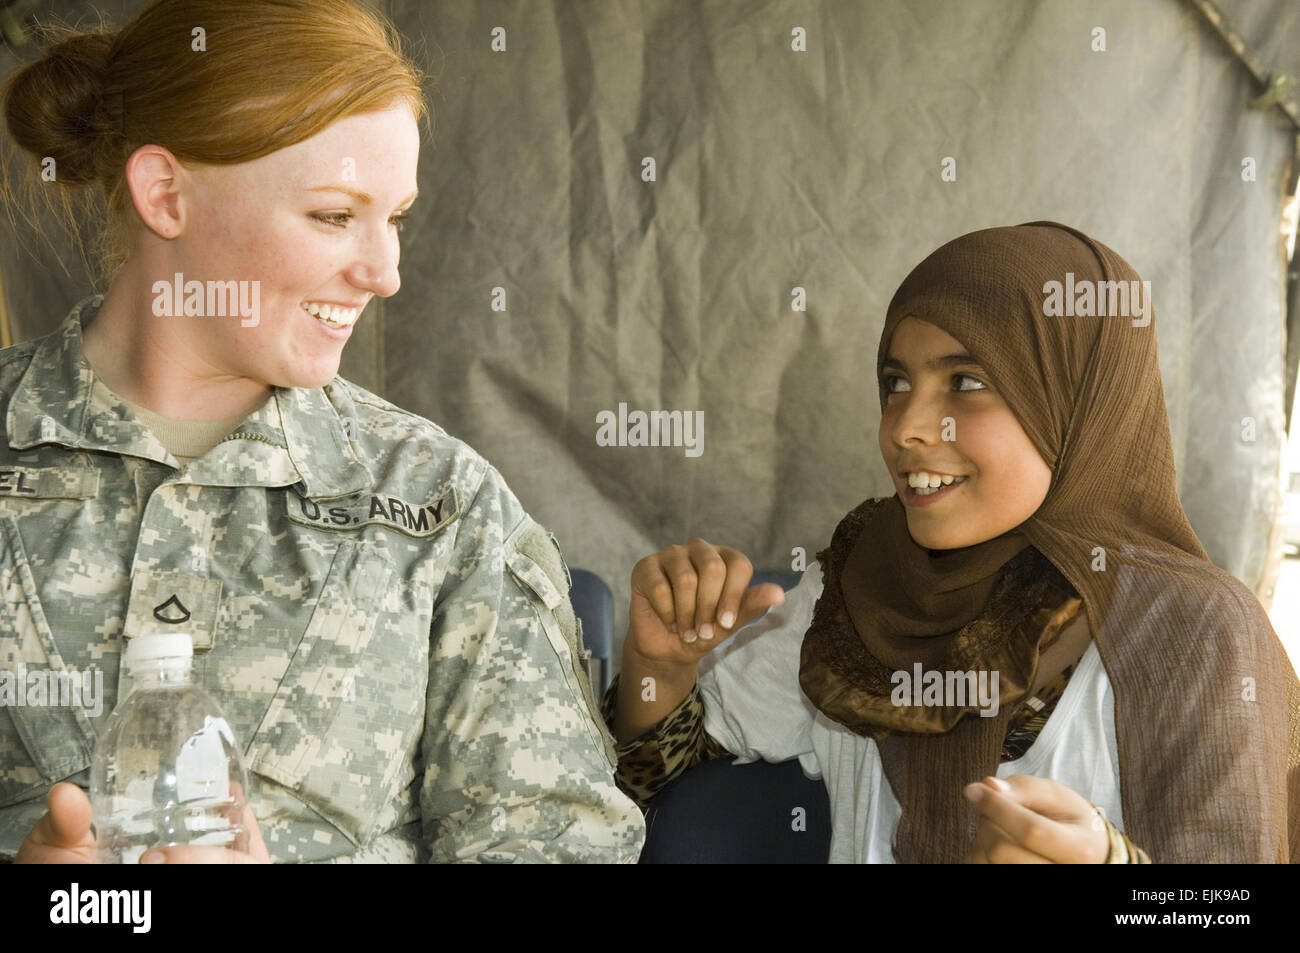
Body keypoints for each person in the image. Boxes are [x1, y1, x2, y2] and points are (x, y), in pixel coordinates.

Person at [0, 0, 643, 863]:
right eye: (336, 216)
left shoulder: (440, 510)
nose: (384, 272)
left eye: (396, 217)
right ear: (165, 194)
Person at [606, 222, 1300, 863]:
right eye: (895, 383)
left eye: (966, 381)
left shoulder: (1195, 633)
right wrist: (658, 667)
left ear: (1076, 401)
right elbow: (649, 788)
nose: (906, 426)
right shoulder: (858, 593)